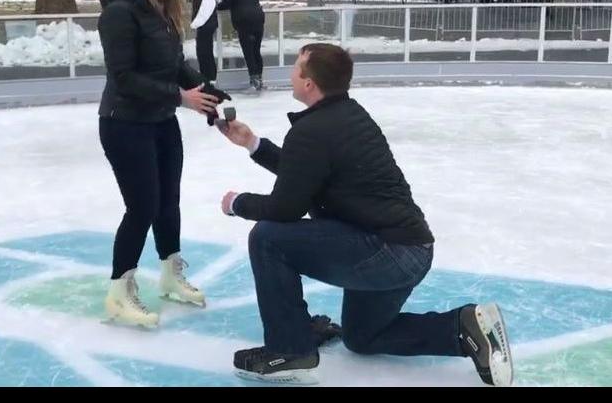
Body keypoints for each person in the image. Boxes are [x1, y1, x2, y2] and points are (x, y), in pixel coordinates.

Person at [217, 43, 513, 386]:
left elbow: (286, 208)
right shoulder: (347, 114)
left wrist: (237, 203)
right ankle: (462, 329)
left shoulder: (313, 129)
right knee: (363, 337)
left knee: (267, 238)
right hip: (412, 251)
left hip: (385, 251)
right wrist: (254, 144)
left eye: (297, 68)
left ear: (310, 82)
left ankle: (290, 348)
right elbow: (306, 173)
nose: (292, 74)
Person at [97, 0, 231, 328]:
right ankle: (119, 292)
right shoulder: (120, 12)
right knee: (142, 207)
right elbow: (124, 77)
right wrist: (180, 98)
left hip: (160, 122)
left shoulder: (160, 8)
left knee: (167, 202)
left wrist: (204, 90)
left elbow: (174, 65)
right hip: (125, 124)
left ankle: (171, 275)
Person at [217, 0, 265, 91]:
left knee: (248, 52)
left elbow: (226, 3)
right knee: (256, 51)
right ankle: (259, 78)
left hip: (244, 21)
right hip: (258, 19)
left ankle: (254, 81)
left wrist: (216, 6)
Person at [189, 0, 218, 85]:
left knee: (204, 51)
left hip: (206, 22)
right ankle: (208, 78)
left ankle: (209, 79)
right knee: (204, 51)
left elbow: (209, 3)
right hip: (206, 22)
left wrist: (197, 21)